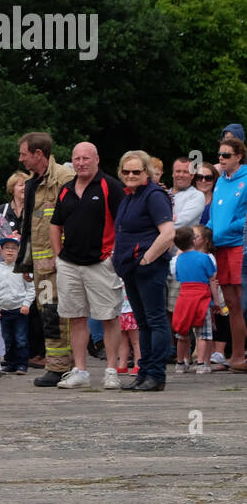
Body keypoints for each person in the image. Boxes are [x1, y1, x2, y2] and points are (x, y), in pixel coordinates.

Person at [49, 142, 125, 390]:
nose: (81, 163)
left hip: (101, 261)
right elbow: (55, 223)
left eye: (86, 158)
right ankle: (80, 369)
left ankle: (111, 369)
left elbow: (123, 222)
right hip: (70, 263)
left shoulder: (110, 186)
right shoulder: (66, 189)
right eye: (77, 158)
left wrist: (114, 254)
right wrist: (58, 256)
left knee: (108, 316)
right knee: (75, 317)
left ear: (97, 159)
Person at [15, 132, 76, 387]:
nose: (21, 160)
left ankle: (60, 367)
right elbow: (30, 226)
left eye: (24, 154)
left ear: (39, 154)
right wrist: (27, 262)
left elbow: (72, 221)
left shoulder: (64, 179)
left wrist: (65, 259)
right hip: (41, 265)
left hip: (59, 263)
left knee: (56, 313)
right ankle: (59, 364)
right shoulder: (33, 182)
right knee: (47, 312)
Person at [112, 151, 176, 391]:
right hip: (131, 269)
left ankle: (156, 375)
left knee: (155, 320)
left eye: (136, 171)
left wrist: (147, 259)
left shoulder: (154, 196)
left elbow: (168, 233)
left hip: (147, 268)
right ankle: (144, 372)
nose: (130, 175)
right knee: (143, 322)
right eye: (126, 171)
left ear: (146, 173)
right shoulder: (130, 196)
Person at [210, 135, 247, 369]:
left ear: (239, 157)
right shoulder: (221, 182)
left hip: (238, 246)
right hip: (220, 246)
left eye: (227, 155)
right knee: (231, 304)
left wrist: (230, 228)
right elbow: (214, 215)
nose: (221, 159)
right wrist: (208, 233)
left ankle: (240, 355)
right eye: (220, 155)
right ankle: (236, 355)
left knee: (241, 303)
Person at [170, 226, 224, 374]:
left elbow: (177, 276)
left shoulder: (178, 259)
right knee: (204, 334)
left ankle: (180, 364)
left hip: (184, 297)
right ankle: (201, 364)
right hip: (201, 297)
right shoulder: (205, 258)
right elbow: (212, 280)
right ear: (193, 240)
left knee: (182, 333)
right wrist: (217, 302)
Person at [0, 236, 34, 375]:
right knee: (7, 339)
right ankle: (11, 363)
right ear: (1, 251)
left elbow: (31, 288)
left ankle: (22, 364)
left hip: (20, 309)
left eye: (13, 248)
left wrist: (26, 304)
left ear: (18, 251)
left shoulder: (22, 269)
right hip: (4, 311)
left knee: (21, 338)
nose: (10, 251)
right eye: (6, 248)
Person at [171, 157, 204, 228]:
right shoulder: (164, 193)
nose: (181, 175)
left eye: (185, 172)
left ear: (192, 175)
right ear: (173, 174)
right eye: (178, 171)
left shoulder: (197, 196)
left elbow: (179, 223)